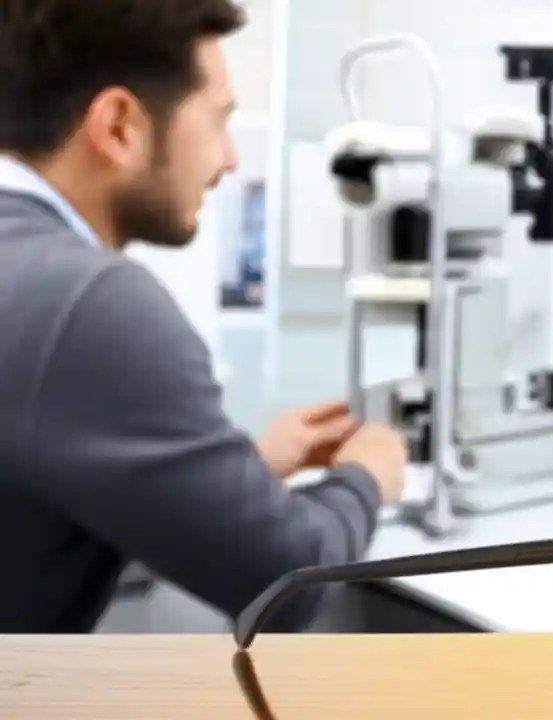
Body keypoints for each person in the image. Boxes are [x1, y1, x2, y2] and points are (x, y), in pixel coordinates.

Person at [0, 0, 407, 633]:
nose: (230, 161)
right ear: (119, 126)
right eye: (219, 122)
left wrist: (241, 469)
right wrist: (369, 473)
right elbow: (290, 582)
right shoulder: (89, 302)